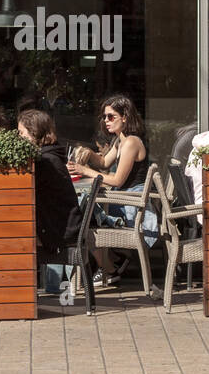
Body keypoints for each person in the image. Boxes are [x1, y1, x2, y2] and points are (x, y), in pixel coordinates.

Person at [67, 94, 156, 286]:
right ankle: (111, 263)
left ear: (125, 116)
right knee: (84, 211)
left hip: (132, 205)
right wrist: (90, 153)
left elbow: (117, 180)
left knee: (84, 215)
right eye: (104, 117)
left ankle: (109, 265)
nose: (106, 121)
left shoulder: (132, 142)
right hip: (122, 199)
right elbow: (104, 162)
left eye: (111, 116)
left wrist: (84, 170)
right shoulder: (120, 140)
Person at [18, 109, 85, 262]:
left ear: (33, 133)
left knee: (10, 240)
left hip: (59, 231)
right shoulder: (51, 156)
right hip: (63, 225)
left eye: (21, 133)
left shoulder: (44, 161)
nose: (19, 138)